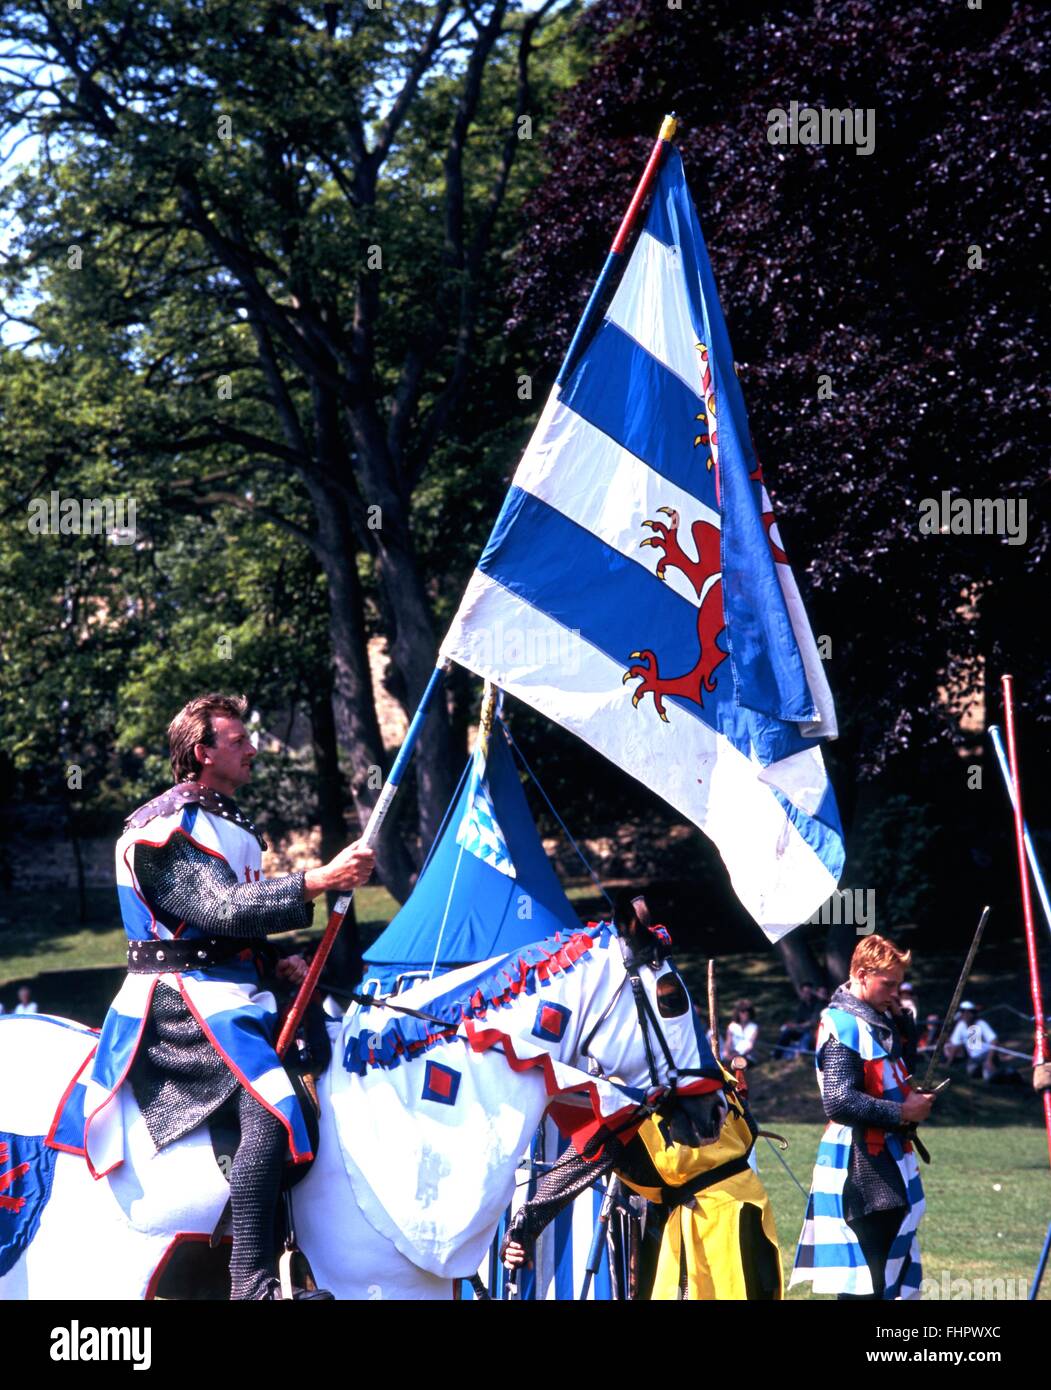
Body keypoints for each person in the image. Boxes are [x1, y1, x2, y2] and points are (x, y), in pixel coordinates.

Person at [47, 692, 375, 1300]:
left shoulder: (226, 818)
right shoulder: (166, 826)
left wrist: (280, 959)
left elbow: (227, 929)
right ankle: (250, 1283)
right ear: (202, 752)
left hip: (230, 986)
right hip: (180, 998)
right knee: (272, 1105)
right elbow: (217, 908)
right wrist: (317, 880)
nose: (253, 749)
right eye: (239, 740)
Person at [789, 934, 933, 1301]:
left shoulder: (876, 1021)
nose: (896, 993)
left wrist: (905, 1028)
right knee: (864, 1283)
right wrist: (902, 1112)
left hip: (887, 1156)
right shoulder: (844, 1026)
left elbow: (897, 1073)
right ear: (863, 974)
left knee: (885, 1273)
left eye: (899, 984)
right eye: (889, 984)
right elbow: (838, 1102)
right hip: (860, 1164)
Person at [945, 1001, 998, 1081]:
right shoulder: (960, 1025)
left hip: (986, 1055)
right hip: (974, 1058)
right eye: (963, 1012)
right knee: (972, 1073)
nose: (966, 1015)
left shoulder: (981, 1023)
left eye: (969, 1012)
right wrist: (948, 1063)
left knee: (989, 1078)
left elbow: (994, 1040)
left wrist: (989, 1060)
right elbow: (955, 1044)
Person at [773, 981, 822, 1058]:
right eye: (805, 992)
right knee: (787, 1032)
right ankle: (776, 1055)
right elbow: (798, 1019)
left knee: (807, 1037)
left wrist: (797, 1026)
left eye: (809, 992)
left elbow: (813, 1022)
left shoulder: (818, 1004)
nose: (807, 994)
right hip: (802, 1029)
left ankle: (802, 1057)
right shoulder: (802, 1005)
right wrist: (792, 1025)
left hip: (814, 1030)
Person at [723, 999, 759, 1064]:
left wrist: (739, 1055)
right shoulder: (732, 1026)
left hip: (747, 1056)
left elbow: (751, 1046)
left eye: (748, 1011)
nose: (746, 1013)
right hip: (732, 1055)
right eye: (743, 1011)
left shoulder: (754, 1027)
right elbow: (728, 1043)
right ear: (738, 1012)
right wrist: (727, 1053)